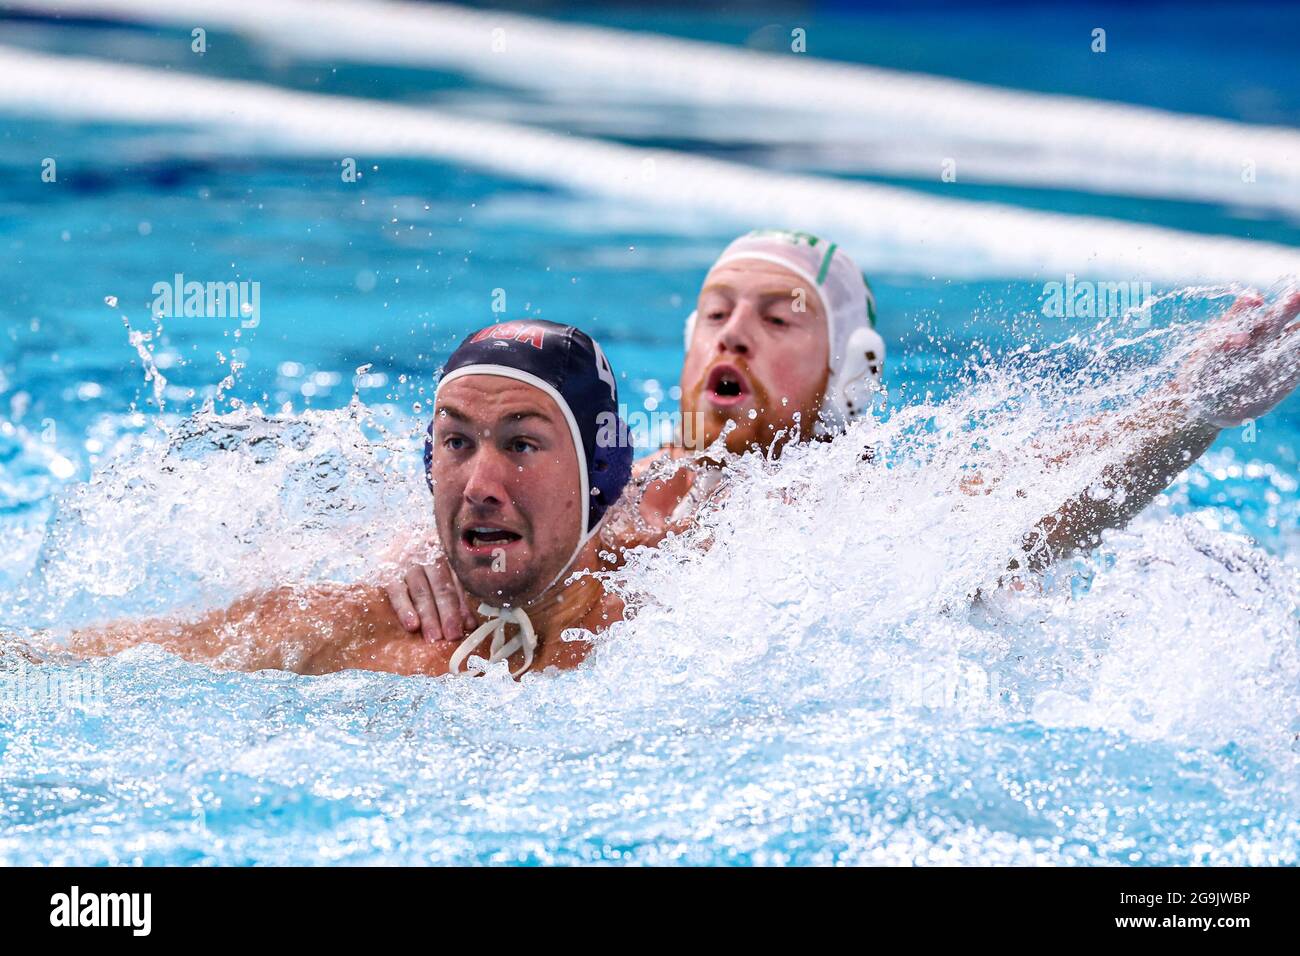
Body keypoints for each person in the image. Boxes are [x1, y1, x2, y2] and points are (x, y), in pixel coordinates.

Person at [386, 230, 1300, 637]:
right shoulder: (599, 477)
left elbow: (1024, 507)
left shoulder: (855, 511)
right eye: (714, 313)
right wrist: (421, 564)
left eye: (780, 319)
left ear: (850, 373)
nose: (735, 332)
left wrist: (1187, 412)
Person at [46, 321, 635, 679]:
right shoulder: (343, 630)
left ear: (600, 472)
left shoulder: (662, 631)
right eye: (456, 441)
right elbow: (66, 660)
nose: (478, 486)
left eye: (521, 443)